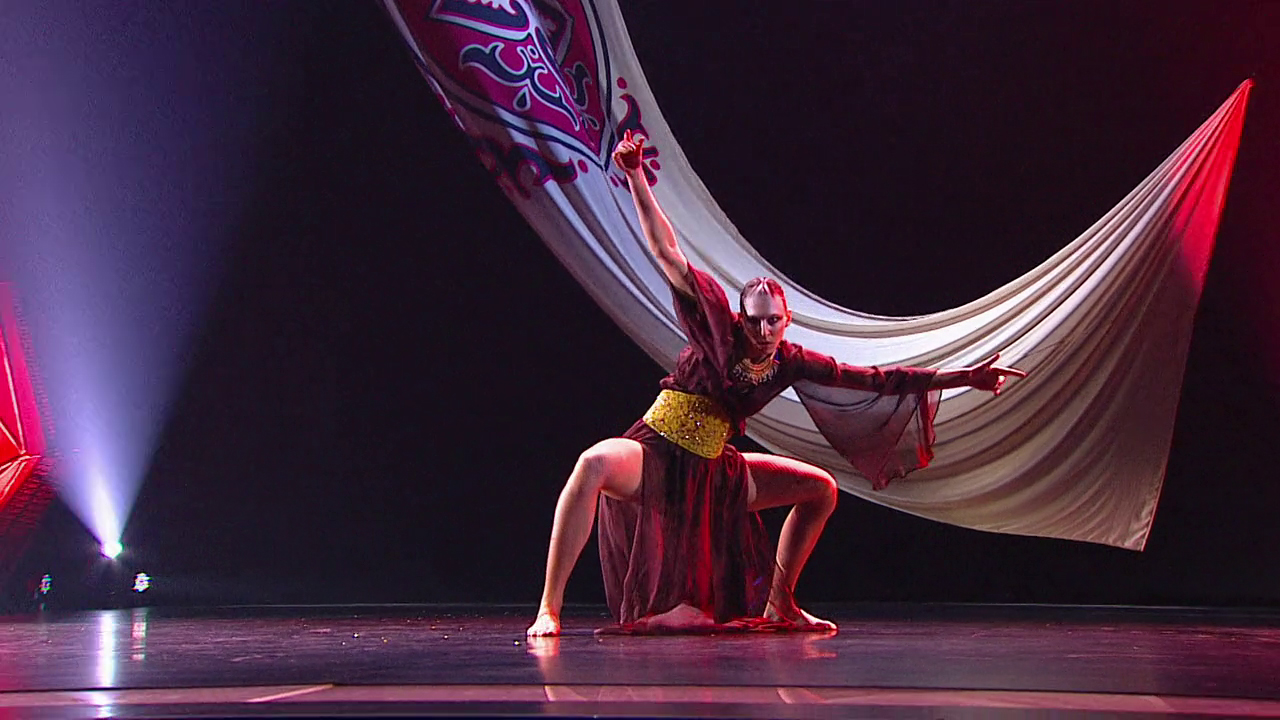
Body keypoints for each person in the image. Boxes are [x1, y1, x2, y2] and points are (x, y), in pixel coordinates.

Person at [525, 131, 1026, 637]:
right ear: (741, 318)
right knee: (592, 464)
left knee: (821, 489)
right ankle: (550, 607)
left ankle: (780, 602)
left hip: (713, 474)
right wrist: (635, 175)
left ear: (787, 321)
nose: (763, 331)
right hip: (658, 454)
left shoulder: (791, 362)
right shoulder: (717, 323)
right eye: (754, 321)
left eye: (772, 322)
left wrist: (965, 376)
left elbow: (876, 379)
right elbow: (666, 250)